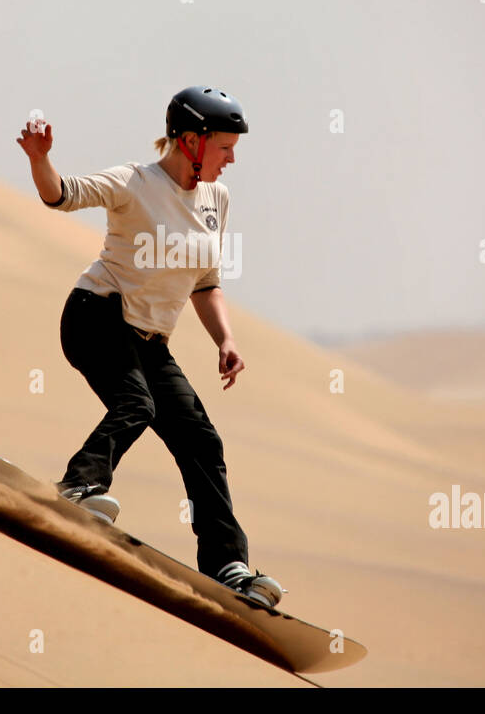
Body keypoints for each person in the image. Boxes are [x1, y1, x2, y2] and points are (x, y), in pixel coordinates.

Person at [15, 85, 284, 609]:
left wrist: (225, 339)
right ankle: (76, 487)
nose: (233, 159)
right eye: (225, 147)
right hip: (96, 316)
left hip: (151, 343)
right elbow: (60, 194)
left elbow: (206, 282)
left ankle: (228, 565)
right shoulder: (135, 183)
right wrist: (40, 160)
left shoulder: (216, 200)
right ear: (190, 141)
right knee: (136, 404)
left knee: (202, 441)